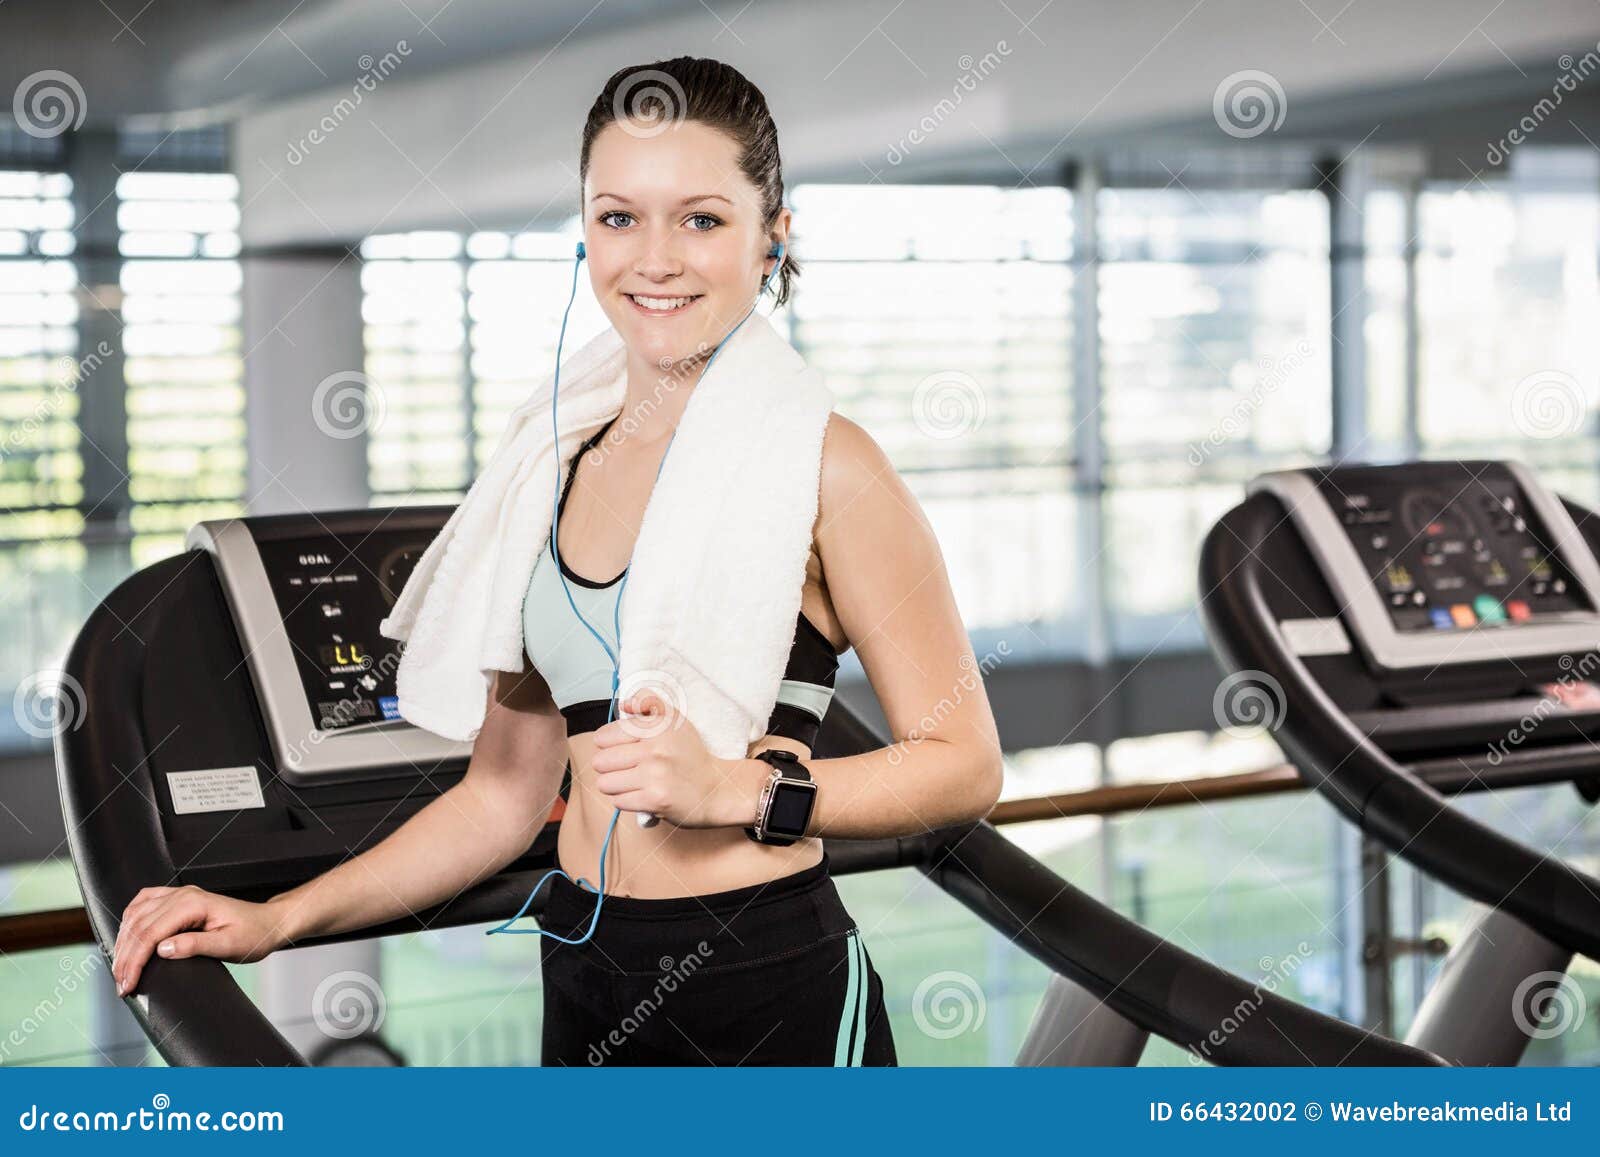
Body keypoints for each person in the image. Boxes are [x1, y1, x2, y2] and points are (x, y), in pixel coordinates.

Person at [108, 55, 1003, 1067]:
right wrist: (277, 919)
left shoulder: (828, 464)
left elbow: (963, 761)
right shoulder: (550, 459)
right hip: (582, 964)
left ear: (771, 240)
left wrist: (743, 791)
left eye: (701, 219)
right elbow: (500, 797)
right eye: (620, 217)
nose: (655, 258)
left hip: (766, 973)